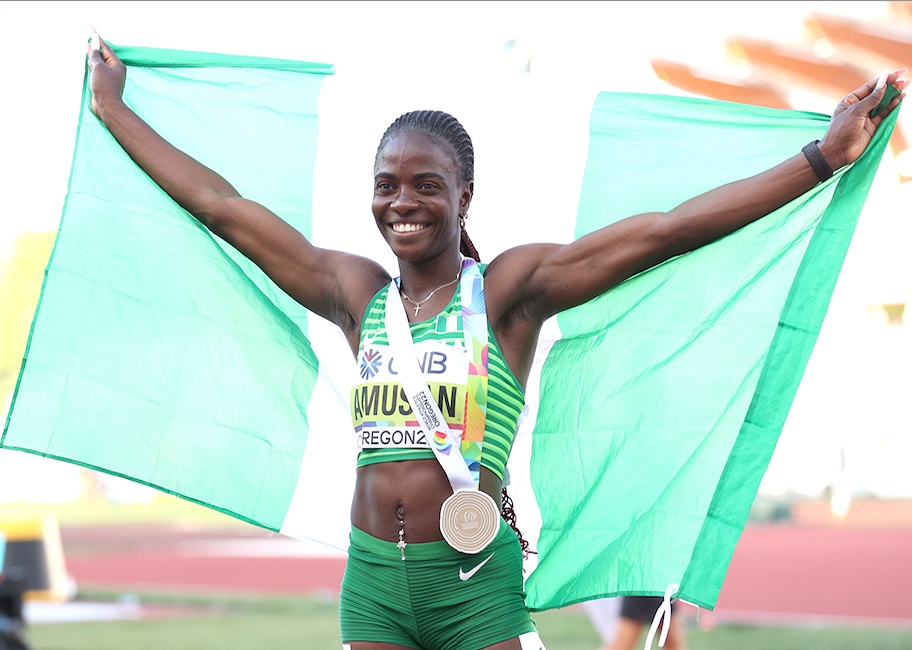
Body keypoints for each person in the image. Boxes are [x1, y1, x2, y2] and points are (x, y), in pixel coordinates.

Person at [85, 32, 905, 650]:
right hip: (372, 585)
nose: (402, 203)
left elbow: (665, 231)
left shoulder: (509, 293)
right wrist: (115, 110)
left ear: (464, 195)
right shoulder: (354, 294)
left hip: (472, 584)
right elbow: (223, 209)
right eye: (386, 185)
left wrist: (820, 158)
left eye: (426, 185)